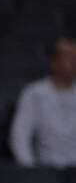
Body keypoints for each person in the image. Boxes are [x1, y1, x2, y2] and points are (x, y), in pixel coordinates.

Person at [9, 37, 76, 168]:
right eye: (69, 58)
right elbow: (19, 135)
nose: (75, 62)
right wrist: (30, 170)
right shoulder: (35, 93)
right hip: (47, 170)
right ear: (54, 63)